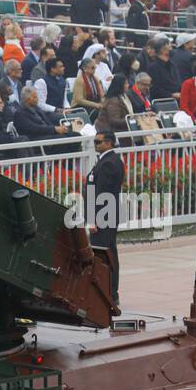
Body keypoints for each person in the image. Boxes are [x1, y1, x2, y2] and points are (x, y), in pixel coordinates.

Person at [84, 129, 124, 304]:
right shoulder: (108, 160)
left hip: (103, 216)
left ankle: (109, 295)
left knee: (103, 257)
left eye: (98, 142)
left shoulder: (109, 163)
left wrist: (93, 219)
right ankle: (111, 294)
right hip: (106, 215)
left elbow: (101, 195)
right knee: (109, 254)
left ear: (109, 142)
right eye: (94, 141)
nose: (95, 145)